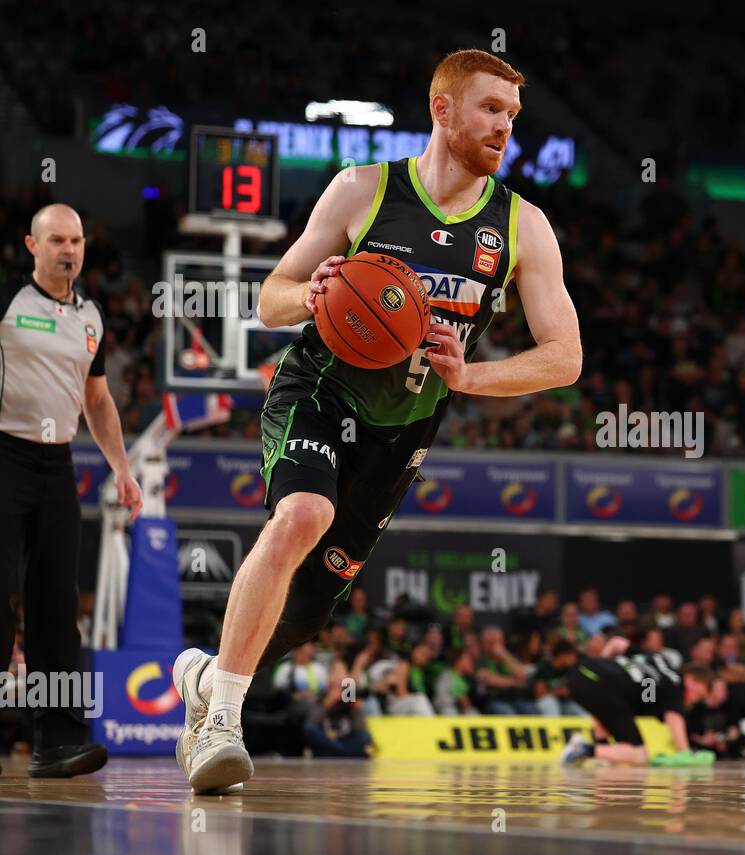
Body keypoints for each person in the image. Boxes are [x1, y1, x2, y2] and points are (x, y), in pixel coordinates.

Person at [170, 49, 582, 794]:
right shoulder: (363, 189)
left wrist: (471, 375)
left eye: (513, 116)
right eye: (491, 109)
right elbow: (271, 297)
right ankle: (220, 723)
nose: (504, 128)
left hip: (406, 430)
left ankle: (206, 677)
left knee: (305, 617)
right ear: (443, 109)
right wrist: (313, 291)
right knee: (302, 513)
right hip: (319, 390)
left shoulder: (524, 226)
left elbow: (565, 357)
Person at [0, 204, 142, 779]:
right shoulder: (9, 301)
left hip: (56, 465)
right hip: (4, 454)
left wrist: (123, 468)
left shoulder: (92, 317)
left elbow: (99, 399)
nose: (69, 249)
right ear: (32, 246)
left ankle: (57, 741)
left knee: (58, 608)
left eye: (77, 240)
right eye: (56, 239)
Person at [558, 637, 713, 767]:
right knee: (640, 755)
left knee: (610, 713)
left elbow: (617, 642)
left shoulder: (659, 661)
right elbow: (675, 722)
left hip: (581, 674)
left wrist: (603, 665)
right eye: (698, 694)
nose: (694, 700)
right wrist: (686, 754)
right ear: (691, 679)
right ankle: (584, 749)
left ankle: (600, 753)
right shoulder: (676, 687)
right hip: (606, 686)